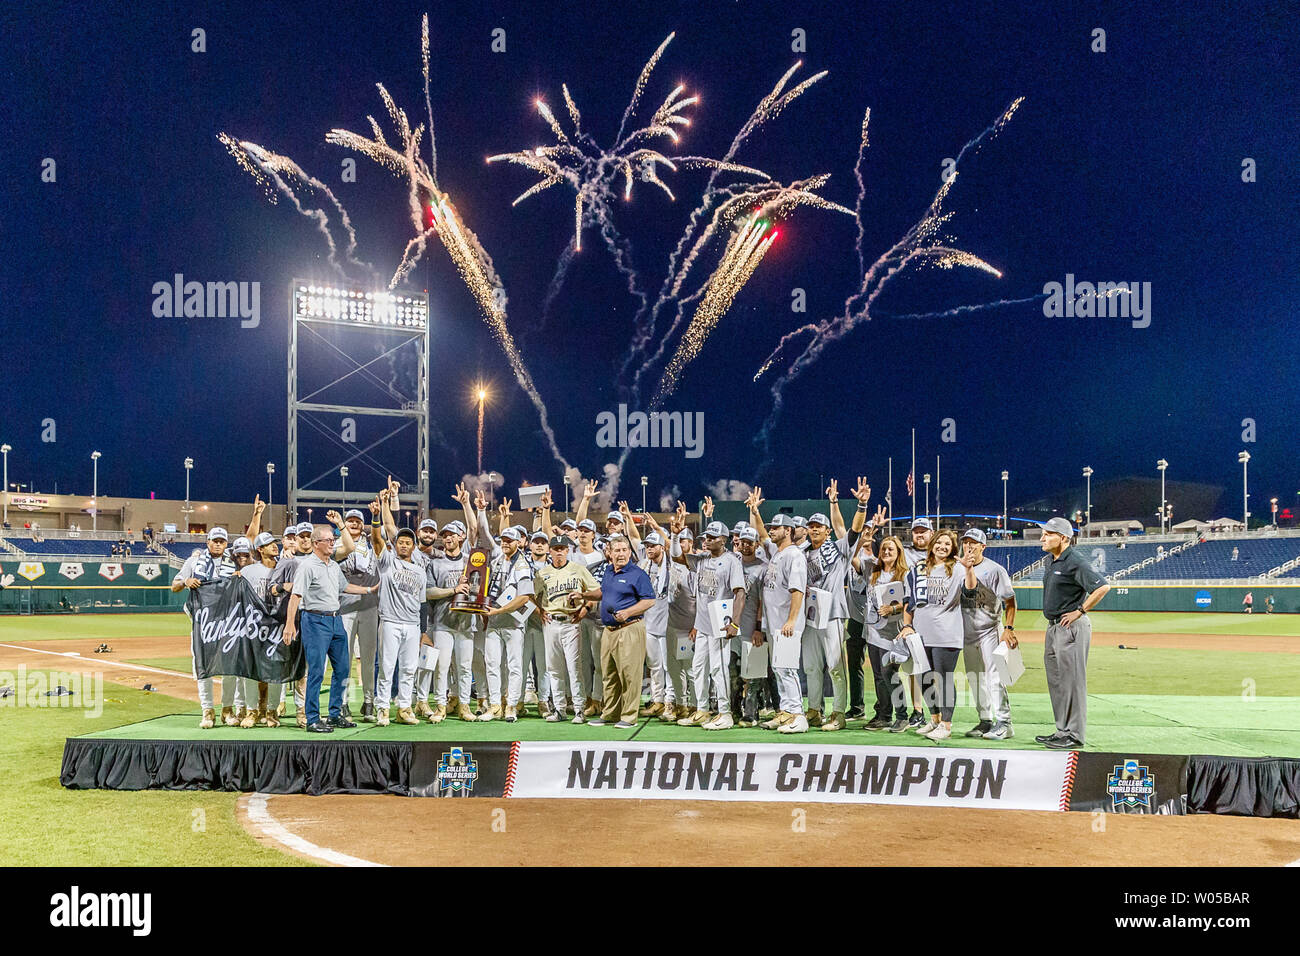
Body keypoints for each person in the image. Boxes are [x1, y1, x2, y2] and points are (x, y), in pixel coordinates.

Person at [281, 525, 378, 733]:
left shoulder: (333, 565)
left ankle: (334, 714)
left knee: (343, 668)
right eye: (328, 540)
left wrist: (369, 589)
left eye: (333, 539)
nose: (333, 542)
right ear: (317, 543)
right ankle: (313, 718)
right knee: (316, 671)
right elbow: (296, 596)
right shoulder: (307, 566)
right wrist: (290, 624)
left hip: (335, 620)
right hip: (315, 621)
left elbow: (344, 587)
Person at [801, 479, 871, 731]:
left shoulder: (839, 548)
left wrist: (861, 505)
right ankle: (814, 710)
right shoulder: (802, 552)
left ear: (827, 530)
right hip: (809, 615)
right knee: (810, 666)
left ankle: (838, 713)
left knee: (835, 666)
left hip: (831, 614)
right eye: (812, 526)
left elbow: (852, 529)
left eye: (820, 526)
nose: (815, 529)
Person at [1037, 516, 1111, 749]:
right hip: (1053, 626)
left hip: (1071, 627)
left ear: (1064, 538)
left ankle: (1075, 734)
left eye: (1048, 534)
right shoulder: (1052, 561)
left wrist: (1080, 610)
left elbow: (1102, 586)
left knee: (1073, 682)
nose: (1043, 538)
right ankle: (1062, 731)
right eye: (1044, 534)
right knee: (1057, 682)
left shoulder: (1075, 560)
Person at [670, 510, 746, 731]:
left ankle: (725, 713)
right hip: (702, 624)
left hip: (720, 623)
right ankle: (702, 710)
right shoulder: (701, 560)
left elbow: (740, 593)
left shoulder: (731, 561)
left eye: (712, 538)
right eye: (706, 537)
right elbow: (676, 557)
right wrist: (675, 536)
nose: (707, 541)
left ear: (724, 540)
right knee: (699, 667)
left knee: (718, 669)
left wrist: (735, 623)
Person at [571, 534, 656, 727]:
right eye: (617, 550)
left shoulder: (637, 574)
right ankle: (610, 713)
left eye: (624, 550)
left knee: (629, 674)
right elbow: (603, 591)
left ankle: (629, 716)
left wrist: (628, 612)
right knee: (609, 674)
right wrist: (583, 594)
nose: (621, 554)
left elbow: (649, 600)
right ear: (609, 553)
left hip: (629, 628)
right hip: (609, 630)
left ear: (629, 552)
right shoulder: (609, 571)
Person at [899, 529, 966, 740]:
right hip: (921, 633)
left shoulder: (957, 569)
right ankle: (935, 719)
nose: (942, 547)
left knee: (944, 679)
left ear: (953, 548)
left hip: (946, 633)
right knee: (925, 678)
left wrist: (969, 569)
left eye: (947, 544)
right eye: (939, 543)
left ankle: (946, 724)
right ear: (932, 544)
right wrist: (907, 625)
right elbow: (909, 601)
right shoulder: (919, 569)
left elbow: (971, 590)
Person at [172, 527, 239, 728]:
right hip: (203, 623)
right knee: (204, 665)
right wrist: (186, 581)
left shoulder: (235, 561)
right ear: (207, 542)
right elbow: (174, 586)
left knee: (230, 667)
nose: (218, 544)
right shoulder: (193, 562)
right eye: (215, 541)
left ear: (227, 544)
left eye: (222, 541)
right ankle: (207, 710)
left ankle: (227, 709)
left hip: (228, 621)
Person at [370, 493, 426, 726]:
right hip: (391, 621)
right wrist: (375, 518)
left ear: (414, 546)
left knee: (409, 668)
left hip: (412, 624)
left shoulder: (421, 568)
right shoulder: (388, 561)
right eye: (400, 542)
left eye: (408, 542)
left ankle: (404, 708)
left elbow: (422, 601)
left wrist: (423, 629)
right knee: (387, 667)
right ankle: (382, 707)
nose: (404, 545)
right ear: (395, 545)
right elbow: (376, 541)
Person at [957, 528, 1018, 741]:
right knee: (975, 678)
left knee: (994, 677)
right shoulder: (958, 568)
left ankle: (1004, 723)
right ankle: (985, 721)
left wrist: (1008, 629)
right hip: (967, 633)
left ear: (983, 546)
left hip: (990, 630)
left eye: (974, 543)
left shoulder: (995, 570)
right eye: (966, 542)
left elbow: (1010, 602)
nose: (969, 546)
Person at [533, 534, 599, 723]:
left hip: (572, 621)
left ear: (568, 550)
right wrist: (539, 611)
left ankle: (579, 709)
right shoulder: (543, 573)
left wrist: (586, 608)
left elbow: (595, 591)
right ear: (550, 551)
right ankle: (560, 709)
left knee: (574, 668)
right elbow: (531, 595)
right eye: (556, 548)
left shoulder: (578, 569)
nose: (559, 551)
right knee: (554, 668)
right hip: (551, 622)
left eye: (563, 548)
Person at [757, 514, 809, 733]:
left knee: (787, 670)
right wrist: (755, 512)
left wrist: (791, 620)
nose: (771, 530)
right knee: (779, 669)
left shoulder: (794, 555)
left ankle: (798, 714)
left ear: (788, 530)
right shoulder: (778, 553)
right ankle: (786, 711)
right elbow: (761, 534)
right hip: (774, 623)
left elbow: (797, 590)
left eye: (776, 528)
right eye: (771, 527)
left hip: (787, 624)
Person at [337, 508, 381, 721]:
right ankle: (342, 702)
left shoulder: (371, 544)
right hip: (344, 607)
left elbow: (380, 534)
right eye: (350, 520)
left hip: (369, 606)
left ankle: (369, 701)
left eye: (357, 521)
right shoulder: (338, 544)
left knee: (369, 658)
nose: (354, 523)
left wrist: (376, 516)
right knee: (343, 658)